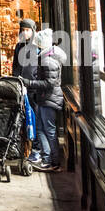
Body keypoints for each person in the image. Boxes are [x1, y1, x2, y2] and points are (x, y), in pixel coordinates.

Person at [27, 27, 65, 170]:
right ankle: (47, 158)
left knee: (49, 130)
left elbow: (49, 83)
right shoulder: (45, 57)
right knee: (41, 129)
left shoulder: (48, 60)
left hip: (49, 99)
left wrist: (30, 83)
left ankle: (54, 162)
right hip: (44, 98)